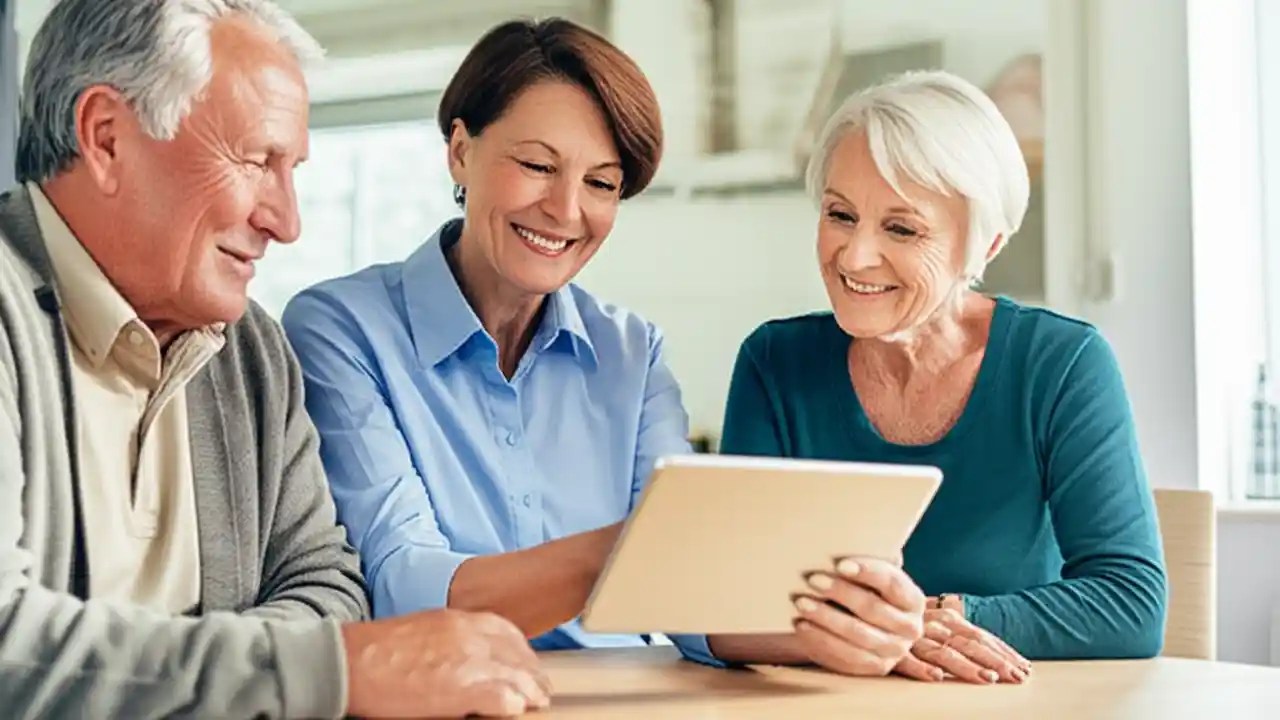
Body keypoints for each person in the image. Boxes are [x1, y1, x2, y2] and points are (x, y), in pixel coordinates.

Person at [282, 16, 925, 677]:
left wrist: (836, 628)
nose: (566, 210)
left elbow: (691, 607)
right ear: (461, 151)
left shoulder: (633, 352)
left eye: (602, 183)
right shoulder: (342, 329)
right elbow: (404, 587)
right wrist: (646, 543)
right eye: (538, 166)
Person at [0, 1, 546, 718]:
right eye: (258, 161)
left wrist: (234, 675)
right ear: (106, 139)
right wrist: (326, 670)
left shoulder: (251, 350)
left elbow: (327, 584)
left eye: (292, 171)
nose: (285, 222)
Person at [700, 70, 1168, 683]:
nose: (855, 256)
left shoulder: (1061, 363)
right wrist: (879, 638)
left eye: (902, 228)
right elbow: (726, 612)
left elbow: (1130, 603)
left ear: (986, 245)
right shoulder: (774, 362)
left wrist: (936, 619)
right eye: (841, 214)